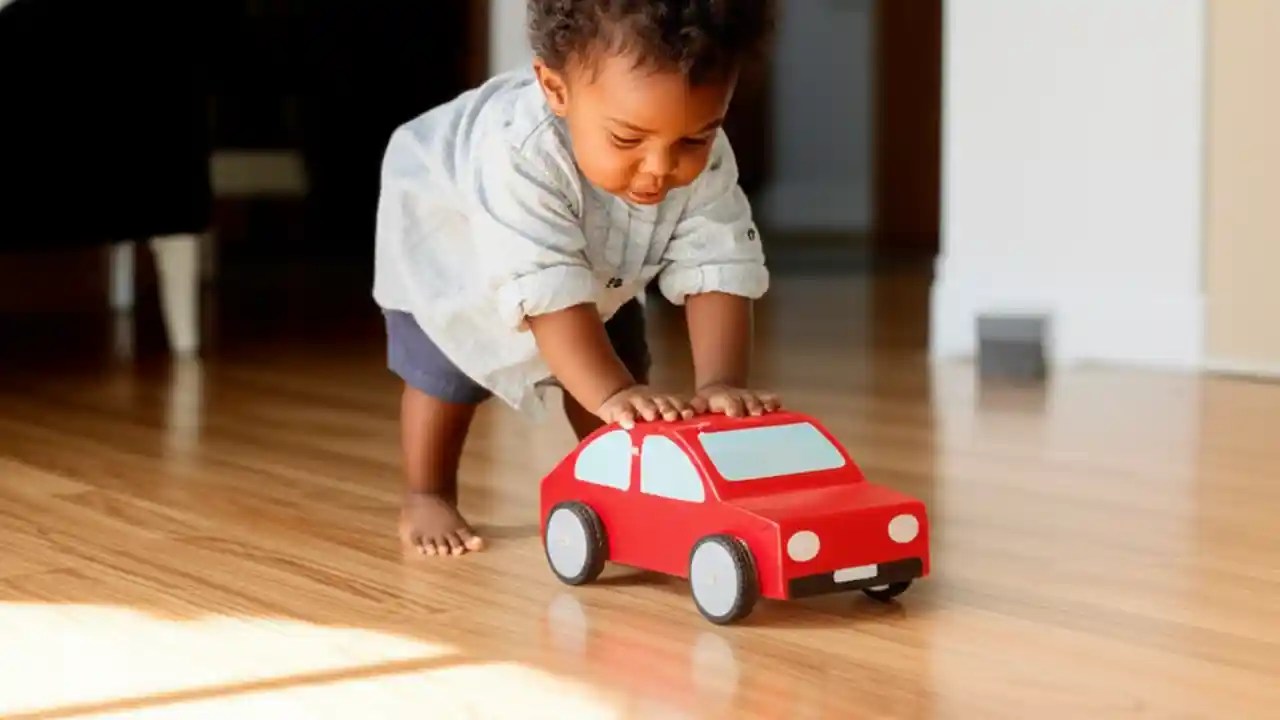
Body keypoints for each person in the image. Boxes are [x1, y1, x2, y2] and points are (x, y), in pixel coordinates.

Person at [373, 0, 778, 558]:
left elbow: (720, 261)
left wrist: (720, 381)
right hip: (454, 243)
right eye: (628, 139)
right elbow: (548, 291)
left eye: (694, 139)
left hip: (600, 264)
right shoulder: (520, 152)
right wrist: (612, 392)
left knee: (623, 359)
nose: (662, 168)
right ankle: (427, 490)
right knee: (443, 373)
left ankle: (620, 482)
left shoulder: (701, 156)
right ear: (556, 90)